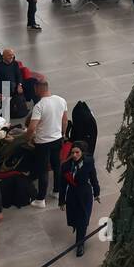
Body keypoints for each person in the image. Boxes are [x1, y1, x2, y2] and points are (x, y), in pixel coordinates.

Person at [27, 80, 69, 208]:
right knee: (57, 166)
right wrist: (62, 134)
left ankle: (41, 199)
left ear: (38, 89)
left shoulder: (39, 106)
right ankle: (56, 191)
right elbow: (65, 120)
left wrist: (28, 138)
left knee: (43, 170)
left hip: (43, 143)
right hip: (57, 139)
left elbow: (32, 127)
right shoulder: (61, 100)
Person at [61, 141, 100, 256]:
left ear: (82, 153)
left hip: (85, 195)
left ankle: (80, 244)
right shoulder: (66, 166)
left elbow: (93, 178)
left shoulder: (88, 163)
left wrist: (97, 192)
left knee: (83, 220)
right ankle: (79, 235)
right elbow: (62, 185)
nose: (74, 155)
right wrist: (61, 201)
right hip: (72, 195)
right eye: (72, 152)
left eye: (77, 152)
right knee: (75, 218)